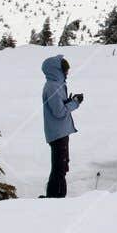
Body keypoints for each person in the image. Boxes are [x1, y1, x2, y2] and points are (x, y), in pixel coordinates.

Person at [40, 54, 83, 198]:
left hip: (60, 131)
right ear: (58, 70)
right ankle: (55, 198)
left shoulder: (56, 85)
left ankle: (56, 197)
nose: (67, 73)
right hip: (58, 133)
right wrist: (75, 103)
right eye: (65, 70)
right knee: (59, 167)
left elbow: (59, 106)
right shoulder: (53, 87)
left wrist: (69, 101)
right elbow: (59, 112)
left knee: (62, 166)